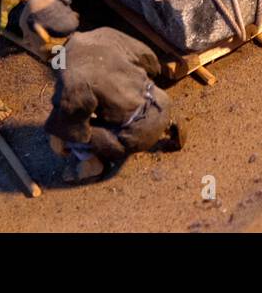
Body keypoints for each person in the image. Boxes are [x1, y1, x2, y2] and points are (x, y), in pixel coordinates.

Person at [45, 27, 183, 184]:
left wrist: (57, 136)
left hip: (136, 133)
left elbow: (69, 121)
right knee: (142, 94)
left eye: (29, 37)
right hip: (161, 102)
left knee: (67, 134)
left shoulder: (70, 72)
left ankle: (92, 166)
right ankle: (169, 123)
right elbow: (150, 61)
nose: (28, 42)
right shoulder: (105, 33)